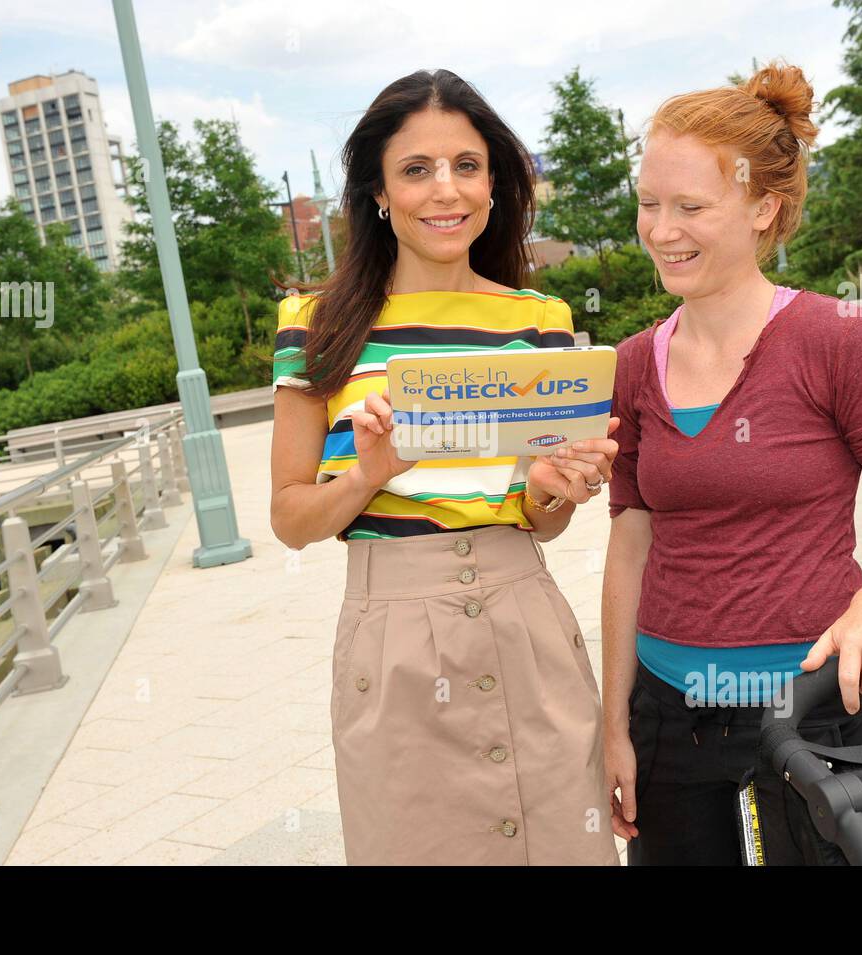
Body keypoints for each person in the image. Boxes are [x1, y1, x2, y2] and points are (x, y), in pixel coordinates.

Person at [600, 61, 862, 865]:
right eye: (649, 203)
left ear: (764, 207)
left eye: (691, 207)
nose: (661, 229)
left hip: (822, 716)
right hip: (670, 727)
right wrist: (614, 723)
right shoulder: (632, 364)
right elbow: (630, 546)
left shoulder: (842, 340)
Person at [270, 69, 621, 865]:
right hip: (393, 645)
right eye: (416, 169)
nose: (445, 190)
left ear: (494, 182)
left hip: (525, 623)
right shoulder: (317, 326)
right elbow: (290, 519)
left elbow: (542, 517)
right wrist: (366, 475)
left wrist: (556, 489)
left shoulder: (539, 322)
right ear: (379, 193)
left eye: (466, 165)